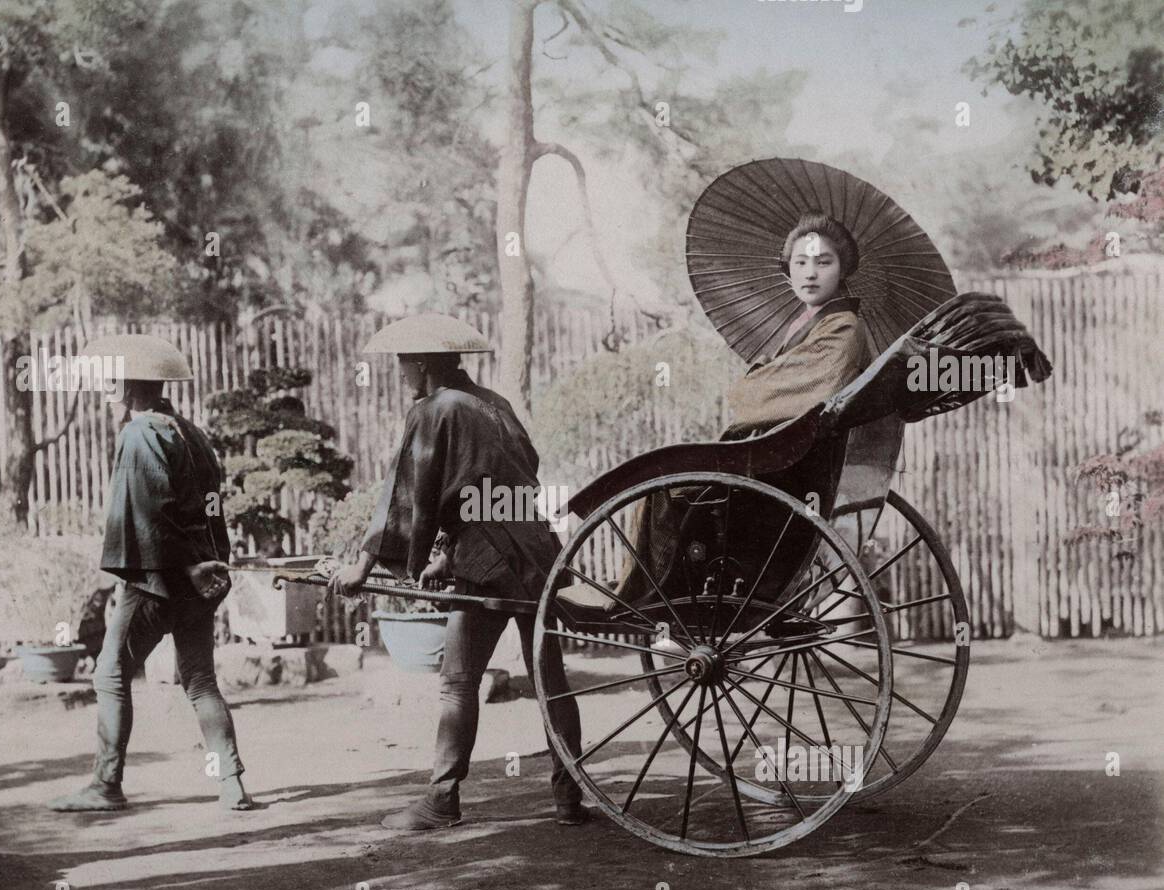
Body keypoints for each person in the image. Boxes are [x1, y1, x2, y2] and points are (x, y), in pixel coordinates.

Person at [329, 313, 587, 831]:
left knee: (457, 683)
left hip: (491, 562)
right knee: (549, 678)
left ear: (423, 364)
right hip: (536, 551)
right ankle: (569, 797)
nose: (400, 374)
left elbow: (407, 495)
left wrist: (363, 563)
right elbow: (513, 478)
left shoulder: (434, 409)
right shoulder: (497, 405)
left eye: (403, 364)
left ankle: (442, 800)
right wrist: (447, 552)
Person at [618, 212, 872, 603]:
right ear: (787, 268)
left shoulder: (844, 327)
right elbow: (782, 378)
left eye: (824, 262)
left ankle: (656, 594)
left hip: (791, 467)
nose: (810, 273)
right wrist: (766, 374)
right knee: (668, 481)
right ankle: (654, 589)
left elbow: (795, 388)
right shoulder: (811, 323)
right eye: (800, 263)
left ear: (843, 269)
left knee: (667, 482)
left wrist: (753, 382)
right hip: (783, 458)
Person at [48, 334, 253, 813]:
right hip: (202, 578)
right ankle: (232, 784)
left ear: (123, 384)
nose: (104, 389)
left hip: (160, 578)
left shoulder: (139, 434)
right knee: (200, 679)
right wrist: (208, 563)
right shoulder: (191, 432)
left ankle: (105, 785)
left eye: (109, 381)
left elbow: (151, 512)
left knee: (111, 672)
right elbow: (209, 508)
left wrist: (185, 564)